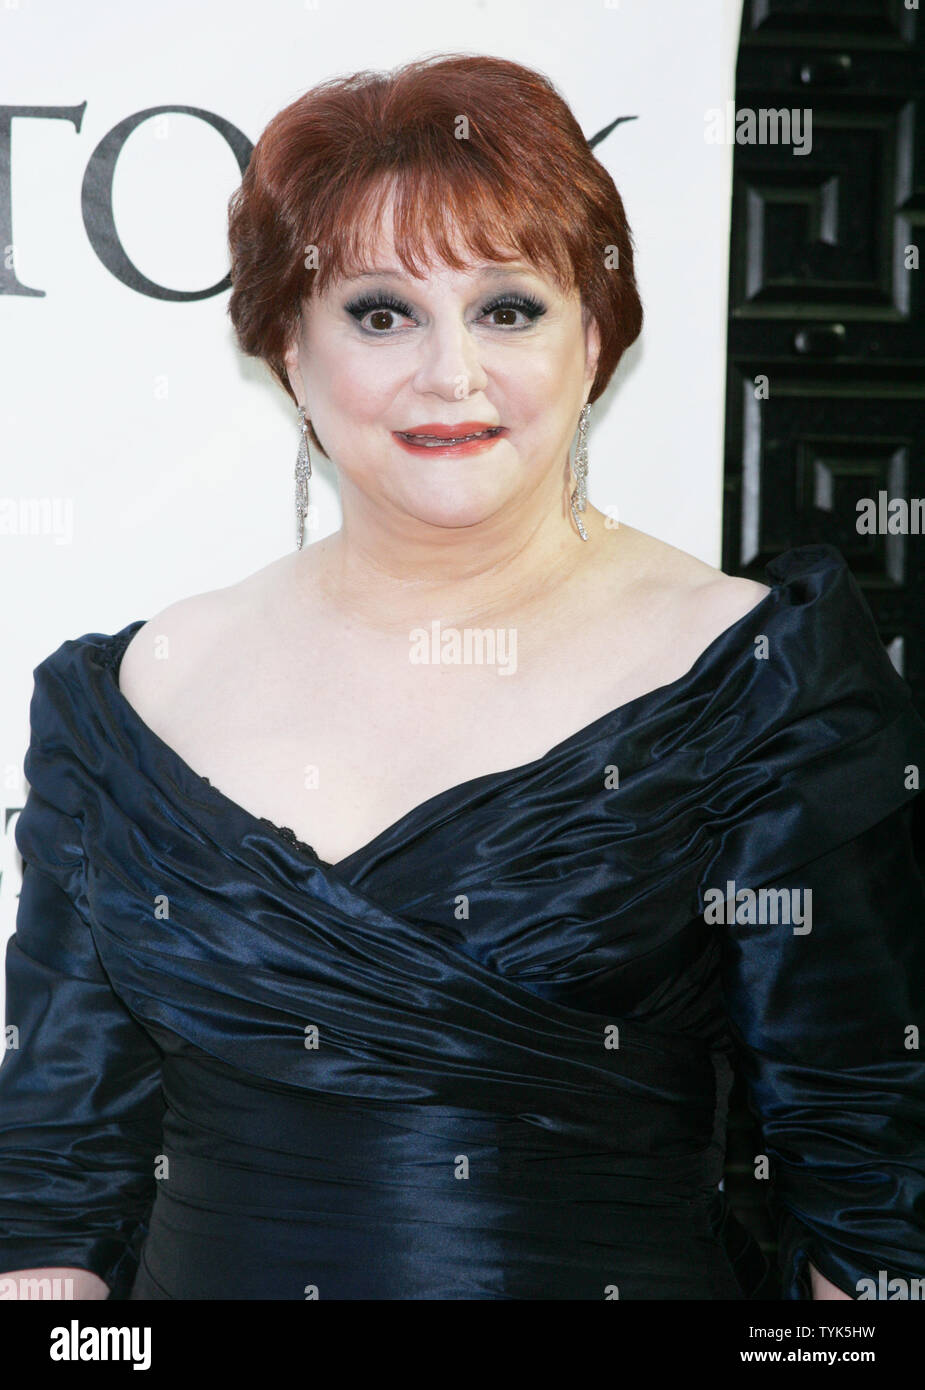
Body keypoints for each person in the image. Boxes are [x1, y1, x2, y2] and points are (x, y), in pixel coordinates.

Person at [1, 53, 923, 1302]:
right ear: (287, 346)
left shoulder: (756, 671)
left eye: (508, 308)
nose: (452, 374)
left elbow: (869, 1185)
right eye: (381, 312)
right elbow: (56, 1186)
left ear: (594, 338)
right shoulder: (126, 700)